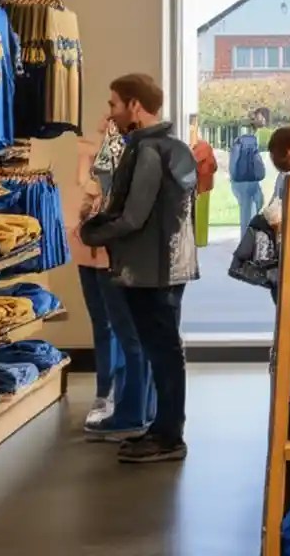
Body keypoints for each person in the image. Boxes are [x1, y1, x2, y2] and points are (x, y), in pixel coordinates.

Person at [81, 73, 199, 464]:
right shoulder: (173, 147)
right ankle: (164, 429)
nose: (110, 113)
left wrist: (93, 232)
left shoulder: (147, 150)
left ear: (134, 105)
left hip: (150, 269)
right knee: (164, 350)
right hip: (169, 266)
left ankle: (168, 436)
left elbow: (133, 216)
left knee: (161, 350)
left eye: (114, 104)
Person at [72, 115, 156, 439]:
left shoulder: (141, 154)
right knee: (101, 322)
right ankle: (105, 392)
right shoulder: (94, 147)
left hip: (116, 251)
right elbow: (84, 186)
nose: (109, 115)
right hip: (88, 244)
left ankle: (124, 399)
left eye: (114, 106)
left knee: (126, 329)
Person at [229, 115, 266, 229]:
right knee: (257, 203)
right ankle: (249, 237)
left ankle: (245, 238)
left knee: (244, 213)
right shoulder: (253, 140)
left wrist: (232, 176)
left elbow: (233, 161)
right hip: (252, 180)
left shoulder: (238, 142)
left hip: (239, 181)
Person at [189, 114, 218, 246]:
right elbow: (214, 165)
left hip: (198, 185)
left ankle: (197, 240)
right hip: (204, 185)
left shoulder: (196, 148)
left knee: (195, 214)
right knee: (202, 213)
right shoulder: (205, 146)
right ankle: (200, 240)